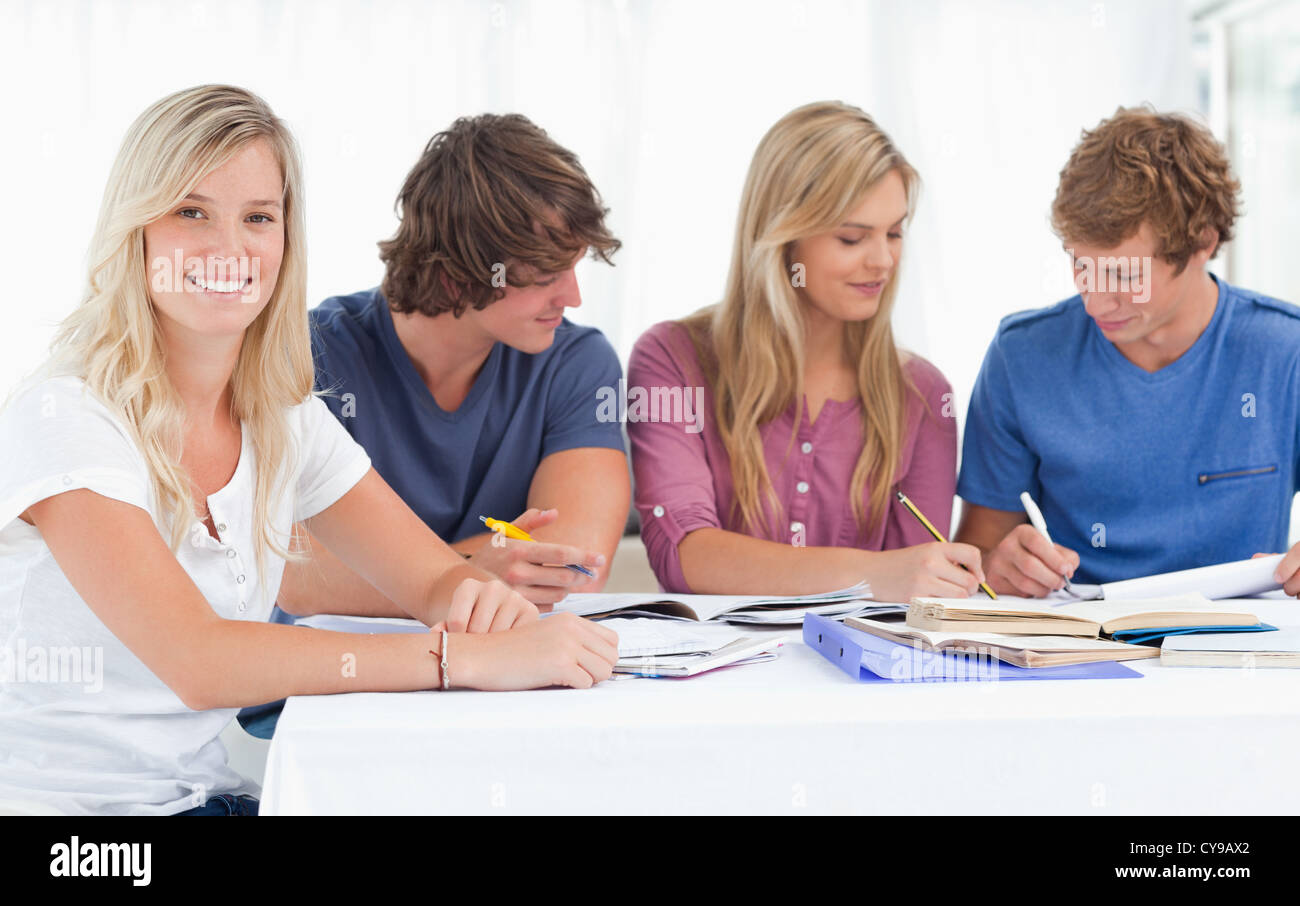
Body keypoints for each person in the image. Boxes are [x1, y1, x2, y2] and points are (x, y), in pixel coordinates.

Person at [0, 85, 617, 816]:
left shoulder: (282, 417)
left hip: (209, 800)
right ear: (135, 229)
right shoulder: (66, 415)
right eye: (191, 211)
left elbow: (432, 583)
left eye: (258, 217)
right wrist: (466, 658)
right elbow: (200, 661)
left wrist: (492, 614)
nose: (230, 249)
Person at [276, 113, 630, 618]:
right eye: (546, 273)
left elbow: (572, 568)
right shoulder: (308, 355)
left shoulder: (577, 363)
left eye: (573, 266)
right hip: (330, 682)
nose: (571, 296)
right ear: (455, 273)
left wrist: (422, 576)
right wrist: (476, 570)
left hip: (504, 676)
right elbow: (295, 576)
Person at [627, 101, 983, 601]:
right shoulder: (670, 360)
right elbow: (685, 555)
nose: (883, 261)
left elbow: (917, 583)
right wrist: (872, 574)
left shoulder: (924, 396)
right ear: (784, 238)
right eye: (852, 237)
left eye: (895, 233)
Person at [955, 105, 1300, 596]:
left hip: (1240, 654)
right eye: (1080, 265)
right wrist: (997, 567)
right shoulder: (1022, 357)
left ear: (1201, 243)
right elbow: (977, 556)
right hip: (1077, 650)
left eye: (1123, 275)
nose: (1094, 300)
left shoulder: (1285, 354)